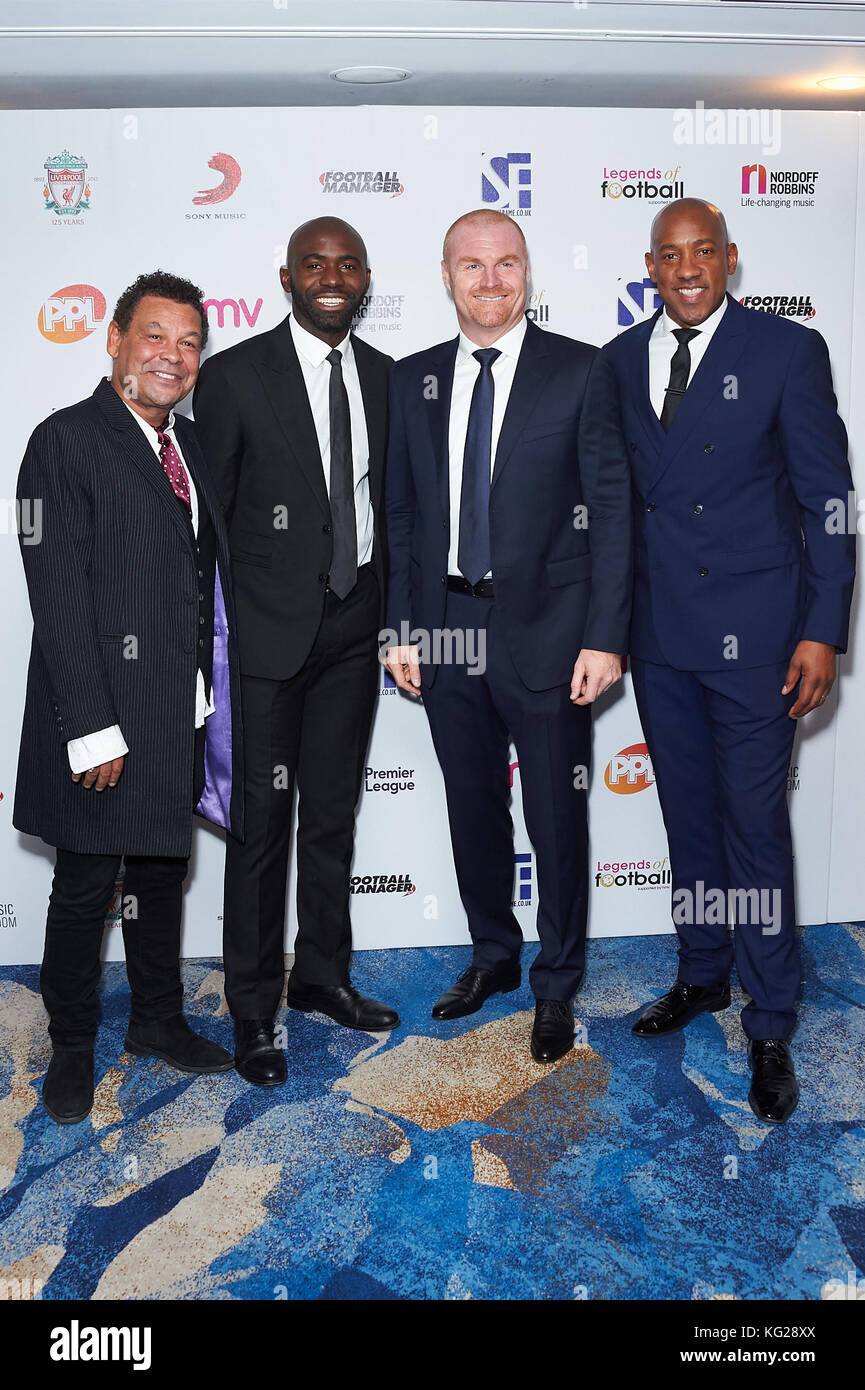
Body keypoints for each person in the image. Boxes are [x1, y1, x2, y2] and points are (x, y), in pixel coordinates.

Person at [601, 197, 855, 1123]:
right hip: (661, 638)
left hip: (759, 642)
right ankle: (702, 973)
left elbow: (829, 499)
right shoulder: (622, 359)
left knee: (753, 831)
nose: (686, 267)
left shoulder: (786, 352)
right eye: (669, 254)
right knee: (690, 824)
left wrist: (823, 628)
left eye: (702, 250)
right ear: (649, 265)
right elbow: (620, 502)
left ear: (730, 258)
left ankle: (772, 1019)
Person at [384, 208, 632, 1063]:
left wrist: (605, 636)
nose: (489, 280)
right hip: (447, 627)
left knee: (555, 817)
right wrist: (401, 628)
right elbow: (404, 515)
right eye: (471, 265)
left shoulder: (582, 370)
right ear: (445, 274)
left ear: (527, 272)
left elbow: (611, 508)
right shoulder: (412, 379)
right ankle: (493, 955)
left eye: (506, 264)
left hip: (554, 633)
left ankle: (555, 982)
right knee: (471, 806)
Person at [14, 270, 244, 1124]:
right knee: (85, 886)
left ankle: (154, 1022)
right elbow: (59, 597)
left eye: (188, 343)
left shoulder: (186, 451)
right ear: (114, 339)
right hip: (101, 718)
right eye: (155, 335)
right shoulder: (65, 440)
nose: (172, 356)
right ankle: (72, 1047)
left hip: (174, 711)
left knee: (159, 872)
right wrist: (92, 730)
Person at [194, 217, 398, 1088]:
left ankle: (320, 975)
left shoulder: (387, 380)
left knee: (331, 819)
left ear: (364, 278)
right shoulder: (235, 376)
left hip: (355, 632)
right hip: (267, 644)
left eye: (347, 263)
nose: (331, 276)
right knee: (260, 830)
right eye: (314, 263)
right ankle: (252, 1010)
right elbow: (212, 524)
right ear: (286, 276)